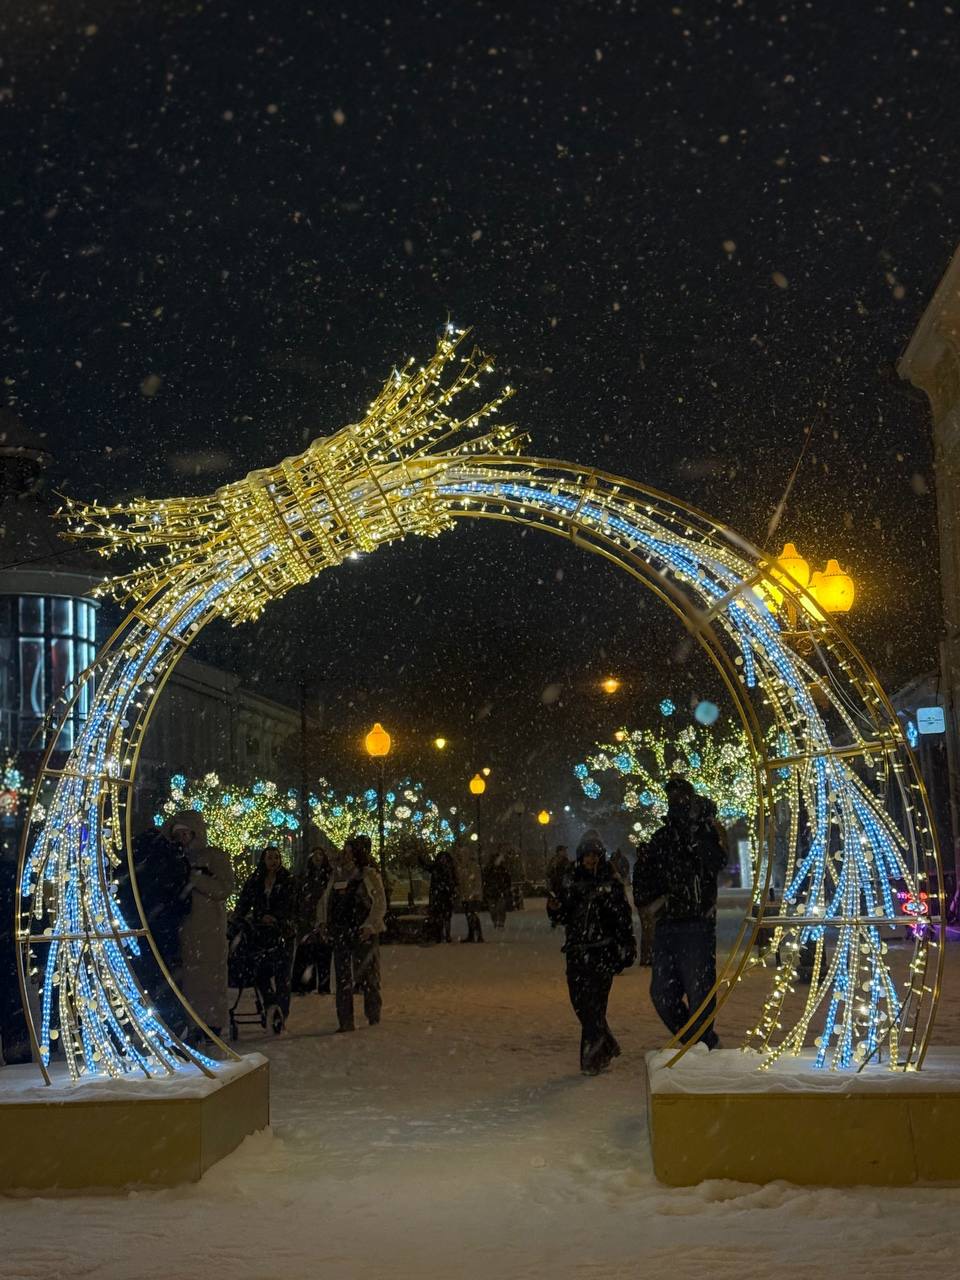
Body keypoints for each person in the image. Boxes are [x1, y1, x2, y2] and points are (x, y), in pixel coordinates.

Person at [634, 776, 728, 1049]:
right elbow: (645, 873)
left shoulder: (704, 832)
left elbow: (718, 861)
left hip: (696, 922)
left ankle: (701, 1044)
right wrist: (655, 901)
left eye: (681, 796)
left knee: (699, 991)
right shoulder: (663, 837)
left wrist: (699, 834)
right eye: (672, 796)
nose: (676, 801)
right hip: (669, 923)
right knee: (663, 993)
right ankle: (698, 1042)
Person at [553, 830, 636, 1075]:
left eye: (595, 855)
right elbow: (563, 915)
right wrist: (555, 909)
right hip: (577, 950)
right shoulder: (571, 880)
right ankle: (605, 1044)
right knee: (580, 1003)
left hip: (602, 950)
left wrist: (625, 944)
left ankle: (591, 1058)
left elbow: (623, 916)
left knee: (595, 1006)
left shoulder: (611, 882)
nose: (591, 860)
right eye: (587, 856)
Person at [163, 810, 235, 1042]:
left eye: (186, 833)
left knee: (210, 982)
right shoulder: (173, 859)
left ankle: (211, 1025)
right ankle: (193, 1024)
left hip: (208, 934)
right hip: (184, 933)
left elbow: (223, 888)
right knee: (189, 983)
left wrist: (196, 878)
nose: (183, 839)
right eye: (178, 835)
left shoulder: (214, 857)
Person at [117, 825, 192, 1033]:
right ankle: (173, 1028)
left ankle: (142, 1028)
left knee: (143, 979)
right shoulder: (172, 862)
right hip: (161, 929)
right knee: (164, 981)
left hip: (139, 929)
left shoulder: (133, 864)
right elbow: (183, 902)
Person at [316, 834, 386, 1032]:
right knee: (343, 978)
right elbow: (325, 900)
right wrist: (322, 922)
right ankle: (345, 1022)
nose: (344, 856)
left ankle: (373, 1016)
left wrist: (370, 926)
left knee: (369, 976)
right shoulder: (336, 876)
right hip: (341, 931)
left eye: (348, 852)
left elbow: (379, 902)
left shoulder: (368, 875)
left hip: (362, 930)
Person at [234, 846, 297, 1027]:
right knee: (261, 973)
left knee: (282, 975)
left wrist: (277, 917)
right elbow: (244, 902)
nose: (273, 861)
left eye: (276, 857)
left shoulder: (288, 880)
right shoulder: (255, 880)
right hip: (261, 934)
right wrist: (251, 916)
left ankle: (281, 1015)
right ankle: (271, 1005)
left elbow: (291, 904)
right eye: (270, 858)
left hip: (283, 932)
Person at [292, 843, 332, 994]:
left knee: (323, 952)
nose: (317, 858)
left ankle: (323, 985)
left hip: (322, 918)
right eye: (315, 855)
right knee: (305, 952)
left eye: (320, 855)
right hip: (306, 919)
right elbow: (298, 897)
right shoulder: (304, 876)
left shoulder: (328, 876)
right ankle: (303, 984)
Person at [631, 840, 661, 966]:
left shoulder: (639, 866)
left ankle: (646, 956)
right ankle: (648, 956)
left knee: (647, 930)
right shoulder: (650, 866)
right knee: (650, 930)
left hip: (643, 901)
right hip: (648, 901)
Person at [452, 841, 485, 942]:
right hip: (466, 895)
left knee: (473, 915)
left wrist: (475, 892)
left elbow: (477, 881)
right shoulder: (462, 867)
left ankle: (477, 936)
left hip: (472, 895)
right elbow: (462, 882)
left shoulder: (472, 866)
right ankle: (473, 935)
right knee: (470, 915)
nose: (461, 857)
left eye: (462, 855)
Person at [428, 846, 458, 944]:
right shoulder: (441, 869)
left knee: (445, 917)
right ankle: (441, 935)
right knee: (442, 917)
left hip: (444, 896)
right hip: (441, 896)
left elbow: (454, 882)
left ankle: (444, 935)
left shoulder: (442, 869)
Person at [485, 849, 512, 930]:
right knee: (495, 909)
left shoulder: (501, 869)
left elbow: (507, 879)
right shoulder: (490, 869)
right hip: (494, 891)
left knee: (500, 908)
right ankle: (497, 922)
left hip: (499, 891)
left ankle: (499, 923)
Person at [545, 844, 570, 927]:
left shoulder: (566, 861)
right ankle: (555, 919)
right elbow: (549, 873)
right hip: (556, 886)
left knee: (564, 903)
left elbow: (569, 873)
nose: (565, 852)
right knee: (553, 903)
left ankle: (561, 918)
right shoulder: (554, 861)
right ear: (559, 852)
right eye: (563, 850)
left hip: (563, 886)